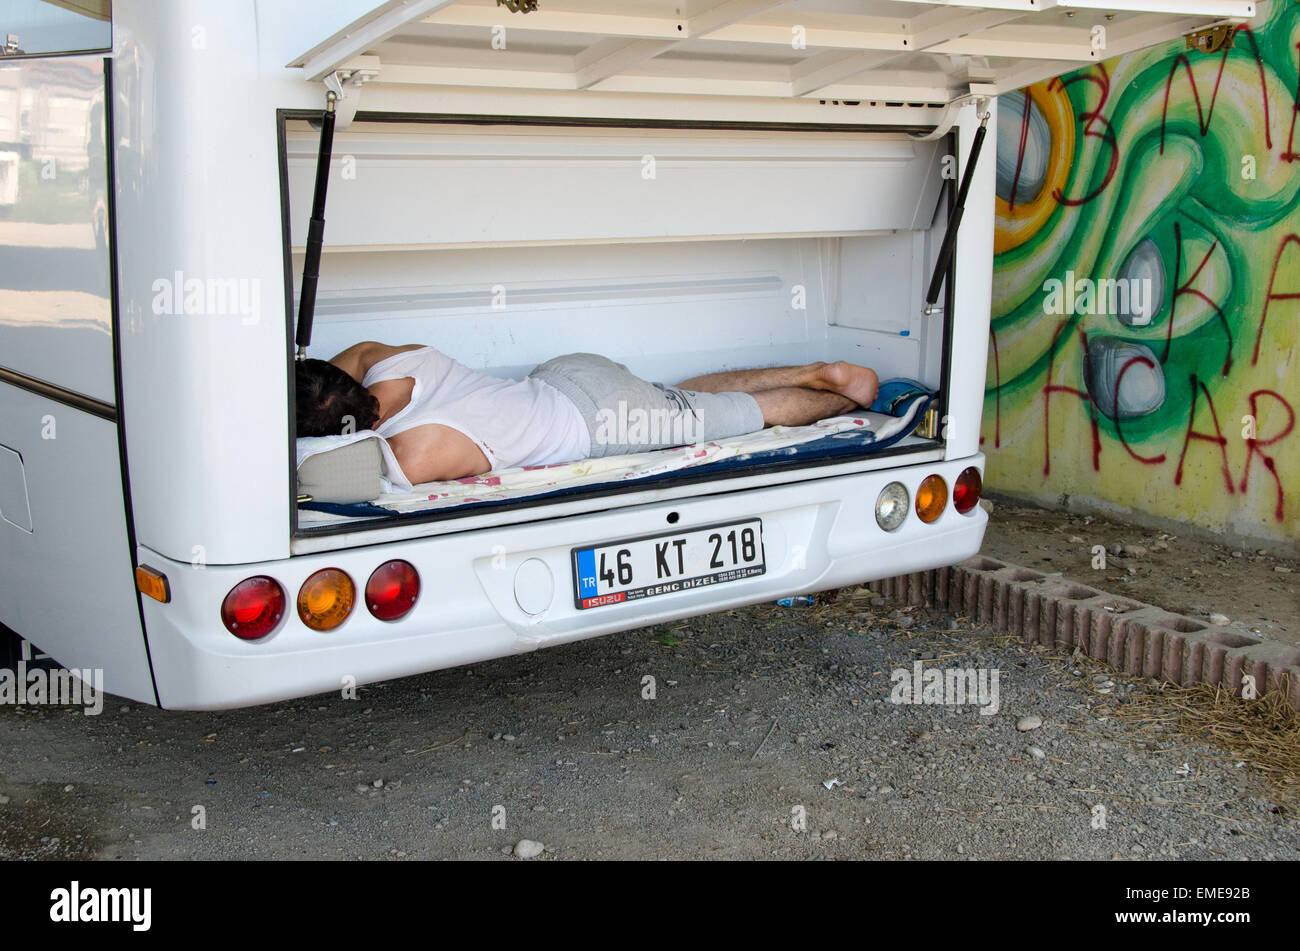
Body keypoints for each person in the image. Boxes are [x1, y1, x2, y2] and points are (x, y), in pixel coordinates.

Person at [296, 342, 879, 485]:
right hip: (568, 374)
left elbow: (320, 471)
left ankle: (839, 393)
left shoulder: (412, 452)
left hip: (601, 422)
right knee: (681, 399)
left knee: (749, 415)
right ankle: (810, 372)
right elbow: (329, 372)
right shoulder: (381, 361)